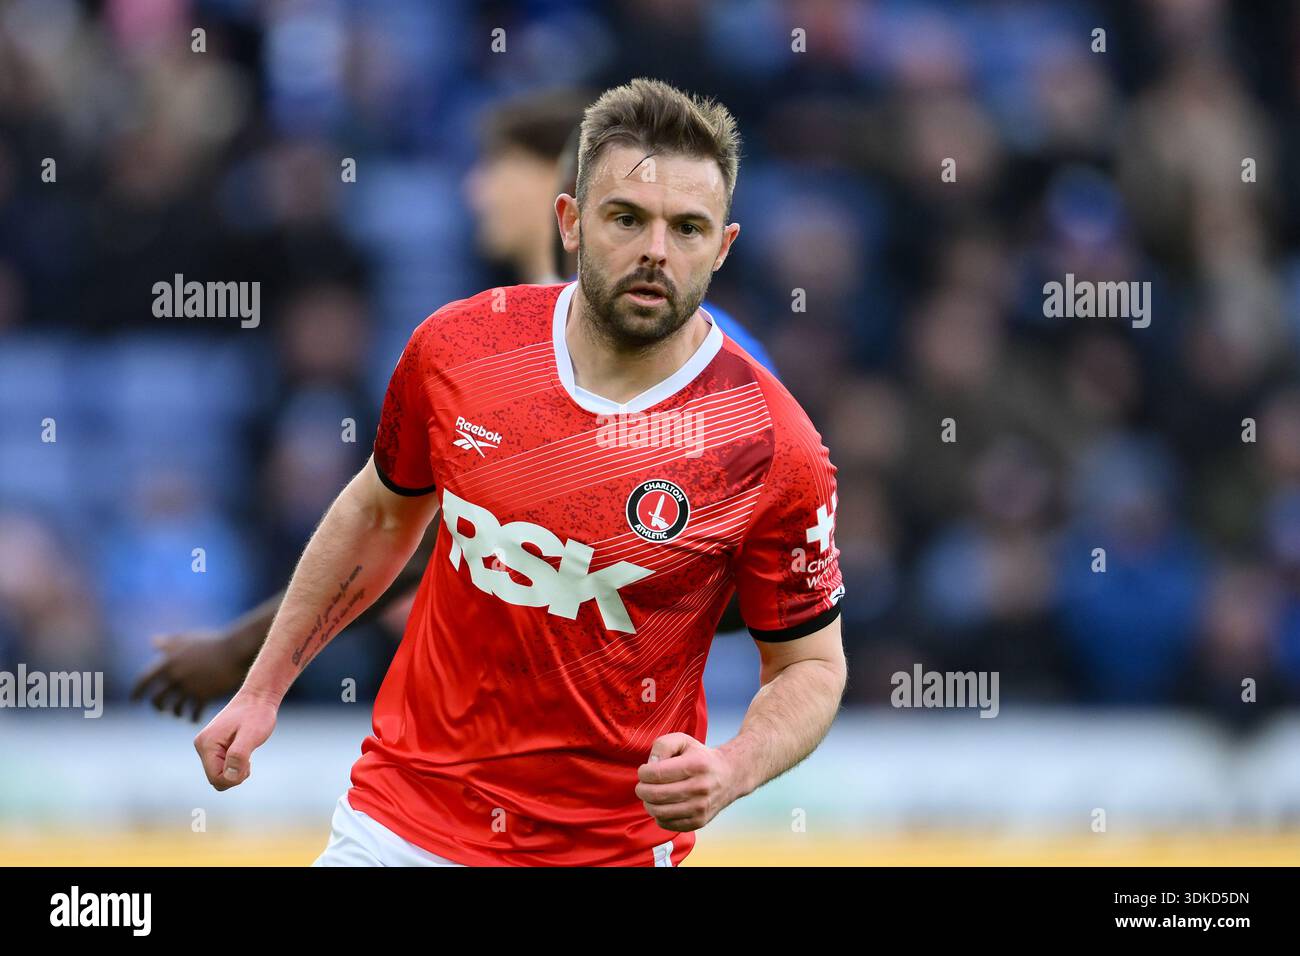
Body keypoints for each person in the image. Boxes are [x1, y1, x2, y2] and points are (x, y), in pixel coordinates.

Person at [192, 78, 845, 867]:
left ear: (725, 245)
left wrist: (734, 768)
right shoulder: (459, 349)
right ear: (569, 221)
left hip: (606, 851)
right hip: (402, 822)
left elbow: (810, 663)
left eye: (689, 228)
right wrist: (264, 688)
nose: (656, 253)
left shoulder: (771, 442)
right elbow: (379, 513)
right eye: (627, 218)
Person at [133, 87, 776, 722]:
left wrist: (242, 649)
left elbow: (755, 552)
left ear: (562, 177)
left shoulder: (698, 351)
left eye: (497, 166)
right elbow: (407, 521)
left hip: (621, 727)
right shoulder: (492, 336)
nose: (477, 189)